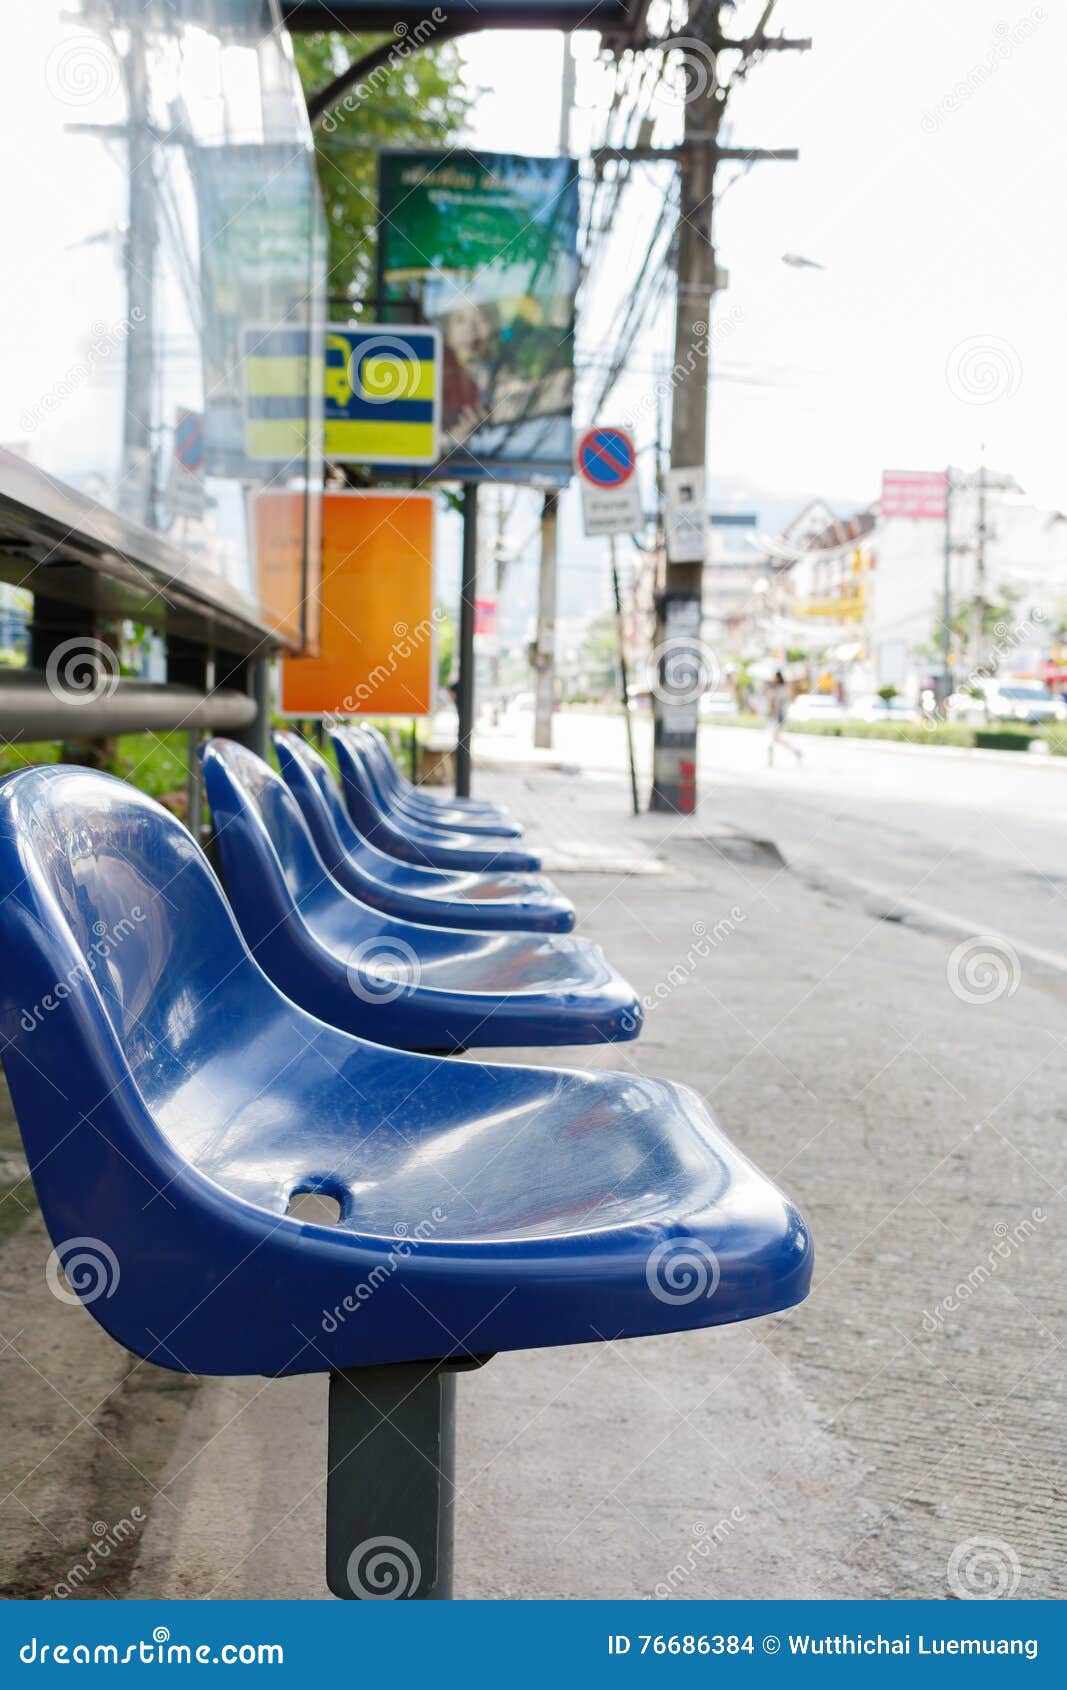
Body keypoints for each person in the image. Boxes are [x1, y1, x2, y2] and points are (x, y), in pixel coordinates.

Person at [766, 670, 803, 767]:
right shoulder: (775, 688)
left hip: (778, 716)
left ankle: (772, 759)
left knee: (773, 738)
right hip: (775, 716)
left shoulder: (782, 688)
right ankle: (795, 751)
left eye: (774, 677)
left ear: (778, 677)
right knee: (775, 738)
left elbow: (779, 704)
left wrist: (776, 712)